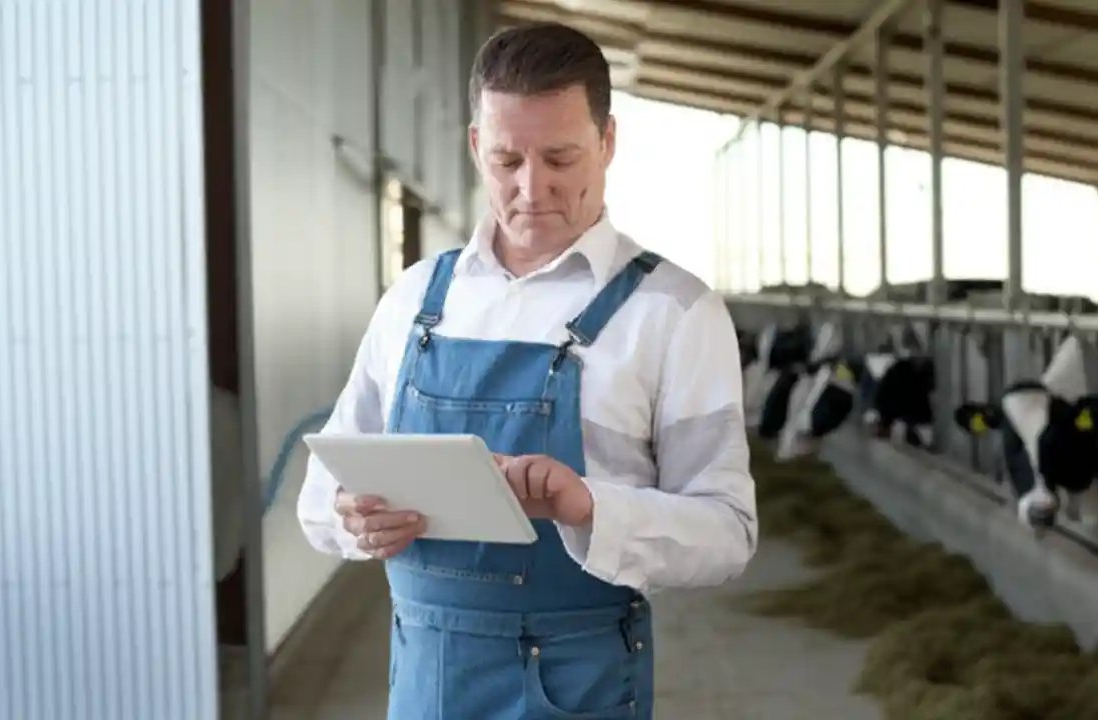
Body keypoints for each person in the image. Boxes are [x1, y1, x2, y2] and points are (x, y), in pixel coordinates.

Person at [297, 21, 757, 719]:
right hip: (425, 679)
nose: (531, 187)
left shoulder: (674, 311)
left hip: (577, 684)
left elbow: (727, 534)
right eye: (507, 159)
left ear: (607, 143)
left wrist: (588, 507)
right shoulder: (417, 298)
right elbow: (321, 493)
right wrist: (352, 520)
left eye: (561, 157)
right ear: (477, 145)